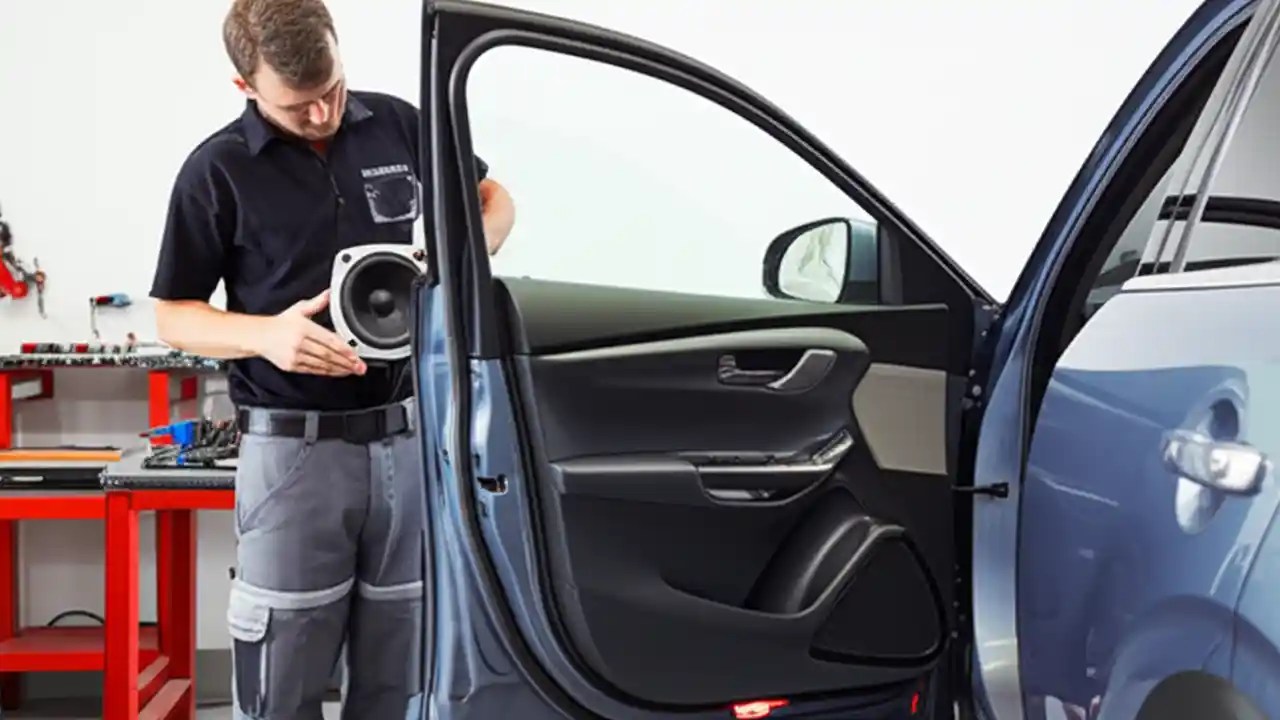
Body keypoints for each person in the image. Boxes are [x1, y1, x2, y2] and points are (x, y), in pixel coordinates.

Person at [147, 0, 515, 717]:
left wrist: (464, 245)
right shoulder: (215, 171)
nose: (322, 115)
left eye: (333, 91)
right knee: (284, 667)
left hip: (409, 443)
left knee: (402, 662)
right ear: (244, 87)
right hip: (294, 455)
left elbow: (495, 200)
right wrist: (264, 335)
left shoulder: (399, 123)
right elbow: (174, 316)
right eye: (299, 104)